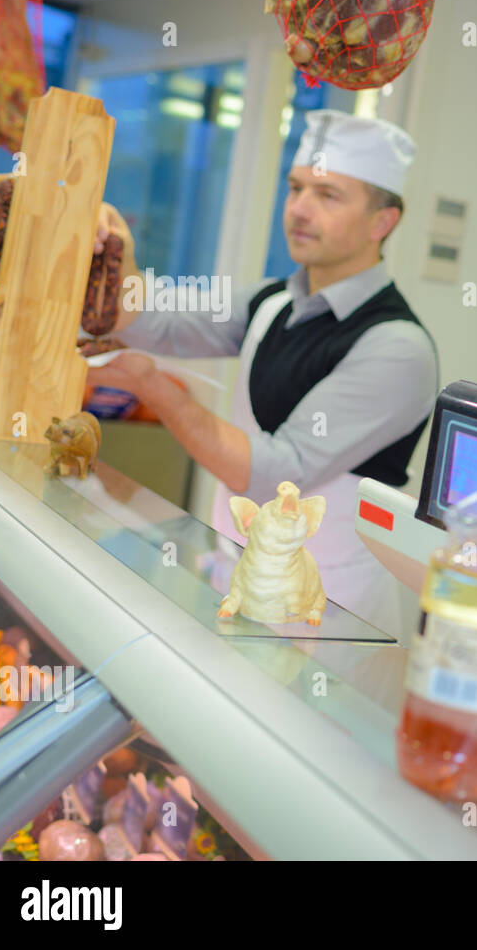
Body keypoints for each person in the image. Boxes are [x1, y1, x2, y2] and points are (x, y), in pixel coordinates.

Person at [88, 110, 438, 635]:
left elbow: (276, 474)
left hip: (328, 614)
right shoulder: (274, 300)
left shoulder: (398, 348)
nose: (299, 209)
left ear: (382, 222)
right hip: (239, 579)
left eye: (328, 195)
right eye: (296, 188)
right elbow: (159, 321)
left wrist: (153, 387)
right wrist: (118, 255)